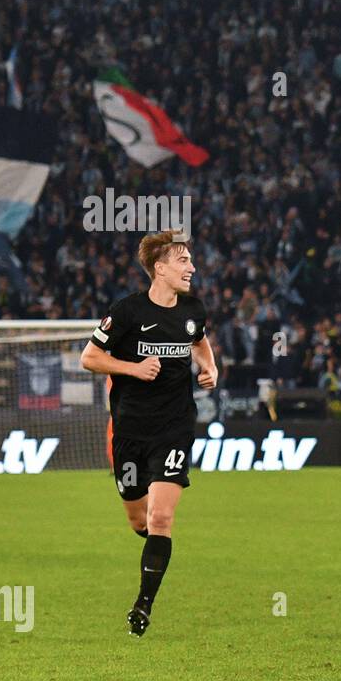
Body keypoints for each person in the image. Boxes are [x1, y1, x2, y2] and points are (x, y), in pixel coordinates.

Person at [80, 230, 217, 636]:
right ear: (160, 268)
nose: (191, 267)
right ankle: (149, 543)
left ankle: (143, 605)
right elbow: (89, 357)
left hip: (174, 428)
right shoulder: (126, 313)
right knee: (139, 518)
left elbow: (200, 340)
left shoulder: (193, 309)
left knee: (161, 517)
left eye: (191, 260)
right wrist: (134, 368)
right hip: (129, 431)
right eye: (183, 261)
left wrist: (210, 367)